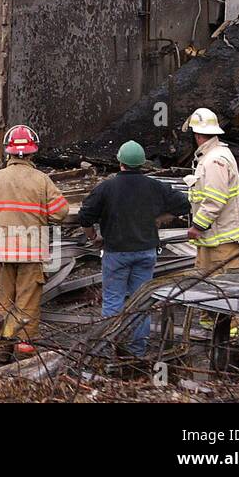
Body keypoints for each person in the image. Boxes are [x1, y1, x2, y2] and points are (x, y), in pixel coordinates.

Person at [78, 140, 190, 357]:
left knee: (113, 301)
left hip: (116, 253)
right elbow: (184, 204)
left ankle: (109, 351)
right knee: (141, 303)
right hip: (146, 253)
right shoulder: (155, 186)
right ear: (142, 164)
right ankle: (137, 352)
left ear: (120, 162)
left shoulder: (107, 187)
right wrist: (160, 219)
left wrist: (94, 237)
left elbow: (85, 216)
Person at [0, 124, 68, 356]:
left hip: (0, 254)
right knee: (27, 304)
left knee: (3, 304)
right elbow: (61, 212)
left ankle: (1, 352)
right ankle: (24, 358)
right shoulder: (42, 180)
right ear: (33, 152)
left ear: (8, 152)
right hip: (31, 253)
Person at [183, 107, 239, 336]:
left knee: (226, 287)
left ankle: (229, 333)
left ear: (198, 134)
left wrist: (197, 226)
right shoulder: (209, 157)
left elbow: (215, 200)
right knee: (206, 281)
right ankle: (210, 324)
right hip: (212, 238)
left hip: (222, 238)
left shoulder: (214, 160)